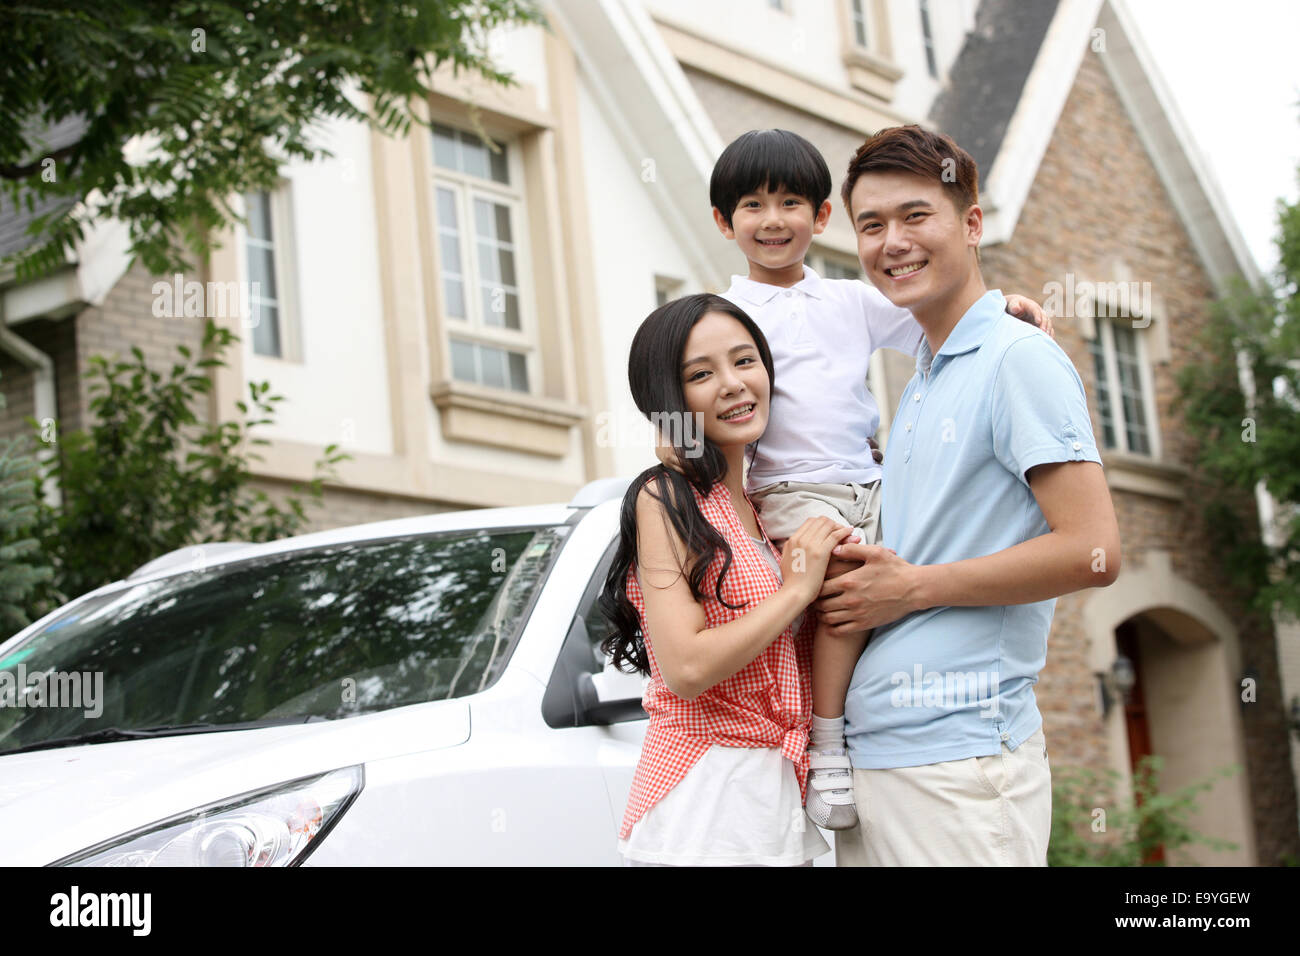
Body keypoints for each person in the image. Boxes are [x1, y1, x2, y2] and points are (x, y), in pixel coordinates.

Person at [666, 128, 1051, 830]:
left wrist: (1009, 309)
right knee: (844, 591)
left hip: (870, 483)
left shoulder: (853, 301)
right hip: (789, 491)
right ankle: (829, 740)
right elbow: (688, 395)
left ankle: (898, 730)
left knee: (902, 583)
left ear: (821, 218)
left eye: (791, 203)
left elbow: (945, 324)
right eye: (752, 206)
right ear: (724, 222)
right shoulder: (724, 316)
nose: (773, 220)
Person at [819, 124, 1122, 865]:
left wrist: (914, 588)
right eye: (872, 224)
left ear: (972, 224)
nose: (893, 241)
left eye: (916, 215)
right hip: (882, 760)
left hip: (960, 767)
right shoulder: (924, 373)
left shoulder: (1018, 359)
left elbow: (1094, 551)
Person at [599, 292, 857, 866]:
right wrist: (796, 591)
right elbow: (687, 668)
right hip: (709, 801)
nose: (734, 384)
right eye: (700, 374)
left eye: (745, 361)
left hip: (772, 798)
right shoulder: (665, 496)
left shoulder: (757, 509)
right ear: (670, 399)